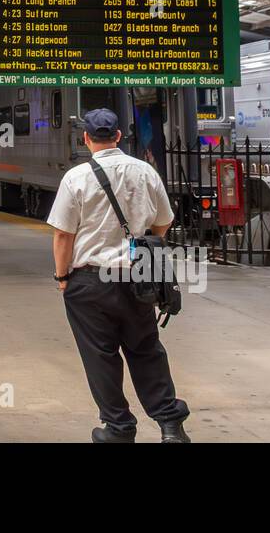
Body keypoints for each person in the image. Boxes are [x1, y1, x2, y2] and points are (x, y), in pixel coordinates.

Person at [48, 108, 191, 443]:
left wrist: (61, 277)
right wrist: (140, 240)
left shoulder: (76, 178)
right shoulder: (145, 172)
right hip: (138, 276)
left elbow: (63, 236)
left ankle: (119, 427)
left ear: (86, 138)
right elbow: (164, 222)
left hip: (90, 280)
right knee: (145, 349)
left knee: (100, 354)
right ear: (118, 136)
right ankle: (171, 425)